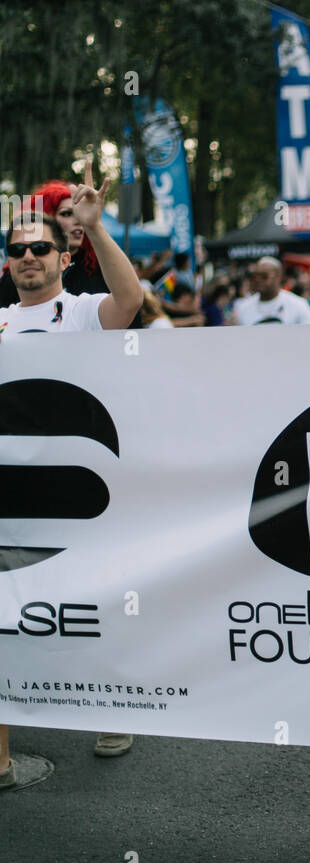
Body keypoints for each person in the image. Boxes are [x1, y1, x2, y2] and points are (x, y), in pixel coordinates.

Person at [0, 164, 144, 789]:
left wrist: (95, 227)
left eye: (40, 248)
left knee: (88, 608)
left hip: (80, 492)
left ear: (63, 258)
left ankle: (111, 709)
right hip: (11, 494)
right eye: (17, 250)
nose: (29, 257)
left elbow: (132, 301)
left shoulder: (84, 313)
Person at [234, 257, 310, 325]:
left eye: (264, 276)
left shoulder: (298, 305)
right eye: (255, 276)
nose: (258, 280)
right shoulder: (243, 307)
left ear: (278, 277)